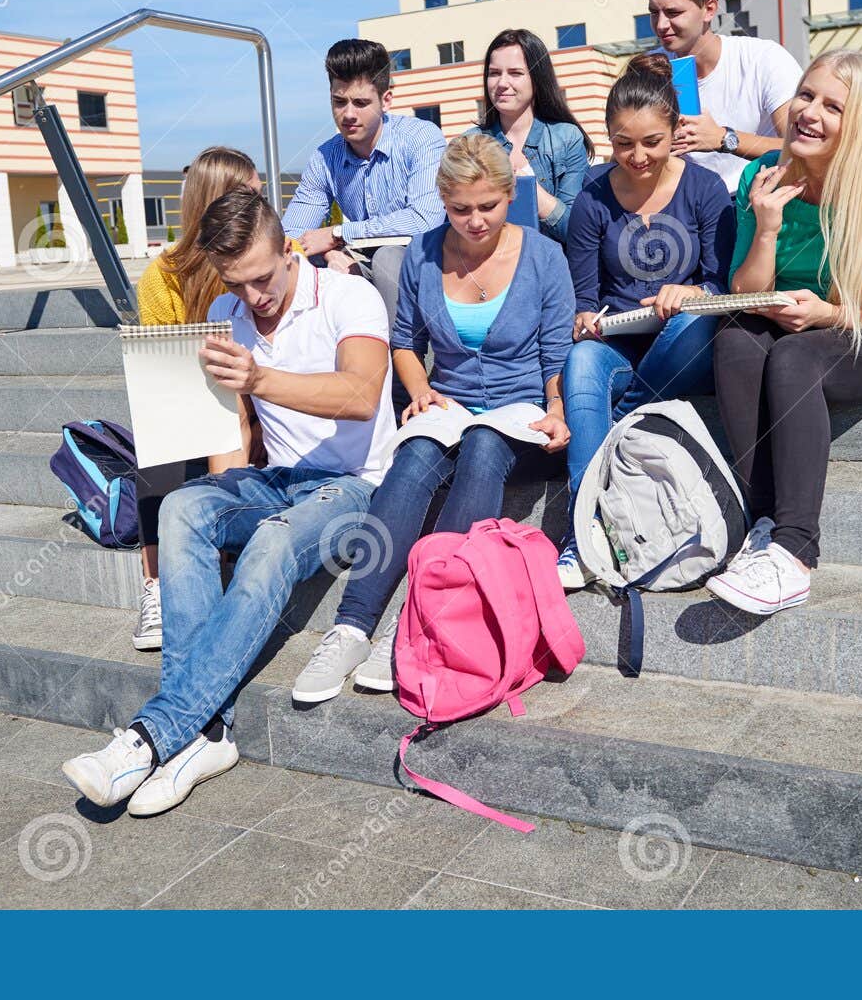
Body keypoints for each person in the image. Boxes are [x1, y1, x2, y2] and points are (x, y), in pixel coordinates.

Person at [63, 188, 396, 815]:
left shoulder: (350, 297)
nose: (253, 298)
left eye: (263, 279)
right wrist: (219, 503)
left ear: (289, 246)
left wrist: (262, 378)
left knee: (270, 539)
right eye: (237, 284)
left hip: (354, 485)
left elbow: (359, 392)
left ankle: (150, 737)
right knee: (183, 506)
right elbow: (231, 432)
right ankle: (208, 735)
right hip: (277, 479)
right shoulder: (226, 307)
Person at [291, 134, 574, 703]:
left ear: (509, 195)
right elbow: (404, 343)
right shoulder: (422, 252)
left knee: (484, 447)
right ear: (443, 202)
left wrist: (559, 408)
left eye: (488, 207)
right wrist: (419, 391)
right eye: (460, 209)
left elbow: (557, 353)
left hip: (518, 409)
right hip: (450, 402)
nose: (474, 220)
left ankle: (421, 608)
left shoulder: (543, 256)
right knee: (415, 455)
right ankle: (353, 624)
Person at [708, 49, 862, 616]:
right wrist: (768, 226)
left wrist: (821, 314)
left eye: (833, 106)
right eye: (806, 95)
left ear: (861, 125)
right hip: (785, 322)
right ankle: (762, 524)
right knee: (732, 338)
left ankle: (795, 551)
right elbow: (744, 290)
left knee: (793, 358)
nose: (810, 112)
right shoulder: (762, 174)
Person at [557, 55, 736, 589]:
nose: (637, 156)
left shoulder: (705, 190)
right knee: (582, 359)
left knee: (694, 318)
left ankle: (626, 414)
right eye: (623, 143)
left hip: (685, 341)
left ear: (675, 133)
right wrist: (586, 320)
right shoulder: (592, 198)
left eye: (651, 142)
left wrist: (692, 292)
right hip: (623, 341)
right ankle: (579, 531)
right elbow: (584, 296)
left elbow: (722, 284)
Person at [130, 146, 264, 652]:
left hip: (260, 390)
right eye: (252, 192)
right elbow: (159, 363)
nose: (262, 202)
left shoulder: (275, 248)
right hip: (196, 393)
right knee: (159, 438)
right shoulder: (164, 274)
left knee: (226, 417)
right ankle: (157, 586)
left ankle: (226, 558)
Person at [281, 38, 448, 324]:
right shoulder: (325, 157)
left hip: (429, 264)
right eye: (338, 102)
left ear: (386, 100)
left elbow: (425, 220)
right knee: (306, 265)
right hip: (358, 263)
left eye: (360, 103)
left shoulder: (422, 138)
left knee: (387, 259)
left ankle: (405, 362)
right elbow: (292, 236)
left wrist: (338, 235)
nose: (348, 114)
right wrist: (329, 257)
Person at [643, 0, 803, 192]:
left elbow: (797, 148)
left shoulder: (764, 59)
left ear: (709, 9)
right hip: (681, 207)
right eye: (654, 13)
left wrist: (722, 138)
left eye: (673, 12)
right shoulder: (649, 70)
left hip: (751, 200)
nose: (661, 25)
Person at [464, 28, 594, 243]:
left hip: (552, 268)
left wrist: (530, 191)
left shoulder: (567, 138)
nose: (502, 83)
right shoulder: (468, 144)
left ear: (537, 78)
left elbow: (577, 231)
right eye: (494, 73)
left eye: (515, 73)